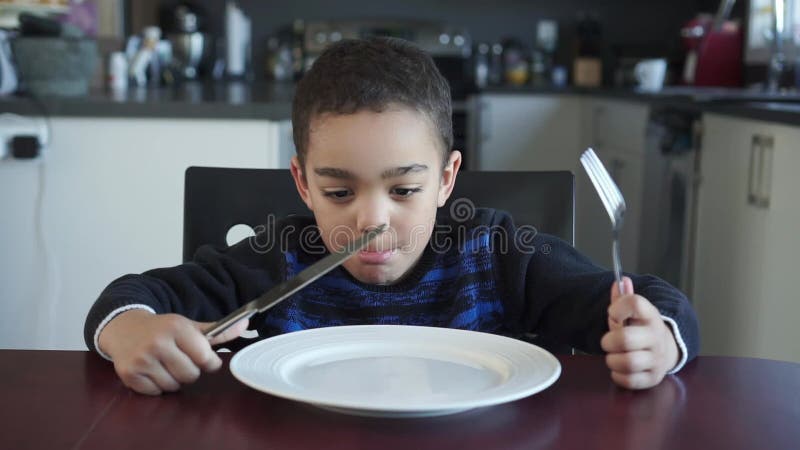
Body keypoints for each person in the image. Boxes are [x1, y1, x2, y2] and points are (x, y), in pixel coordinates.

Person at [84, 37, 699, 396]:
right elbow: (130, 298)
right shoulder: (277, 255)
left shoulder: (496, 251)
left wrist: (659, 339)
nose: (371, 222)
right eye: (339, 192)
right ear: (301, 182)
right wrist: (129, 330)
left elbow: (647, 301)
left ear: (447, 179)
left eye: (404, 189)